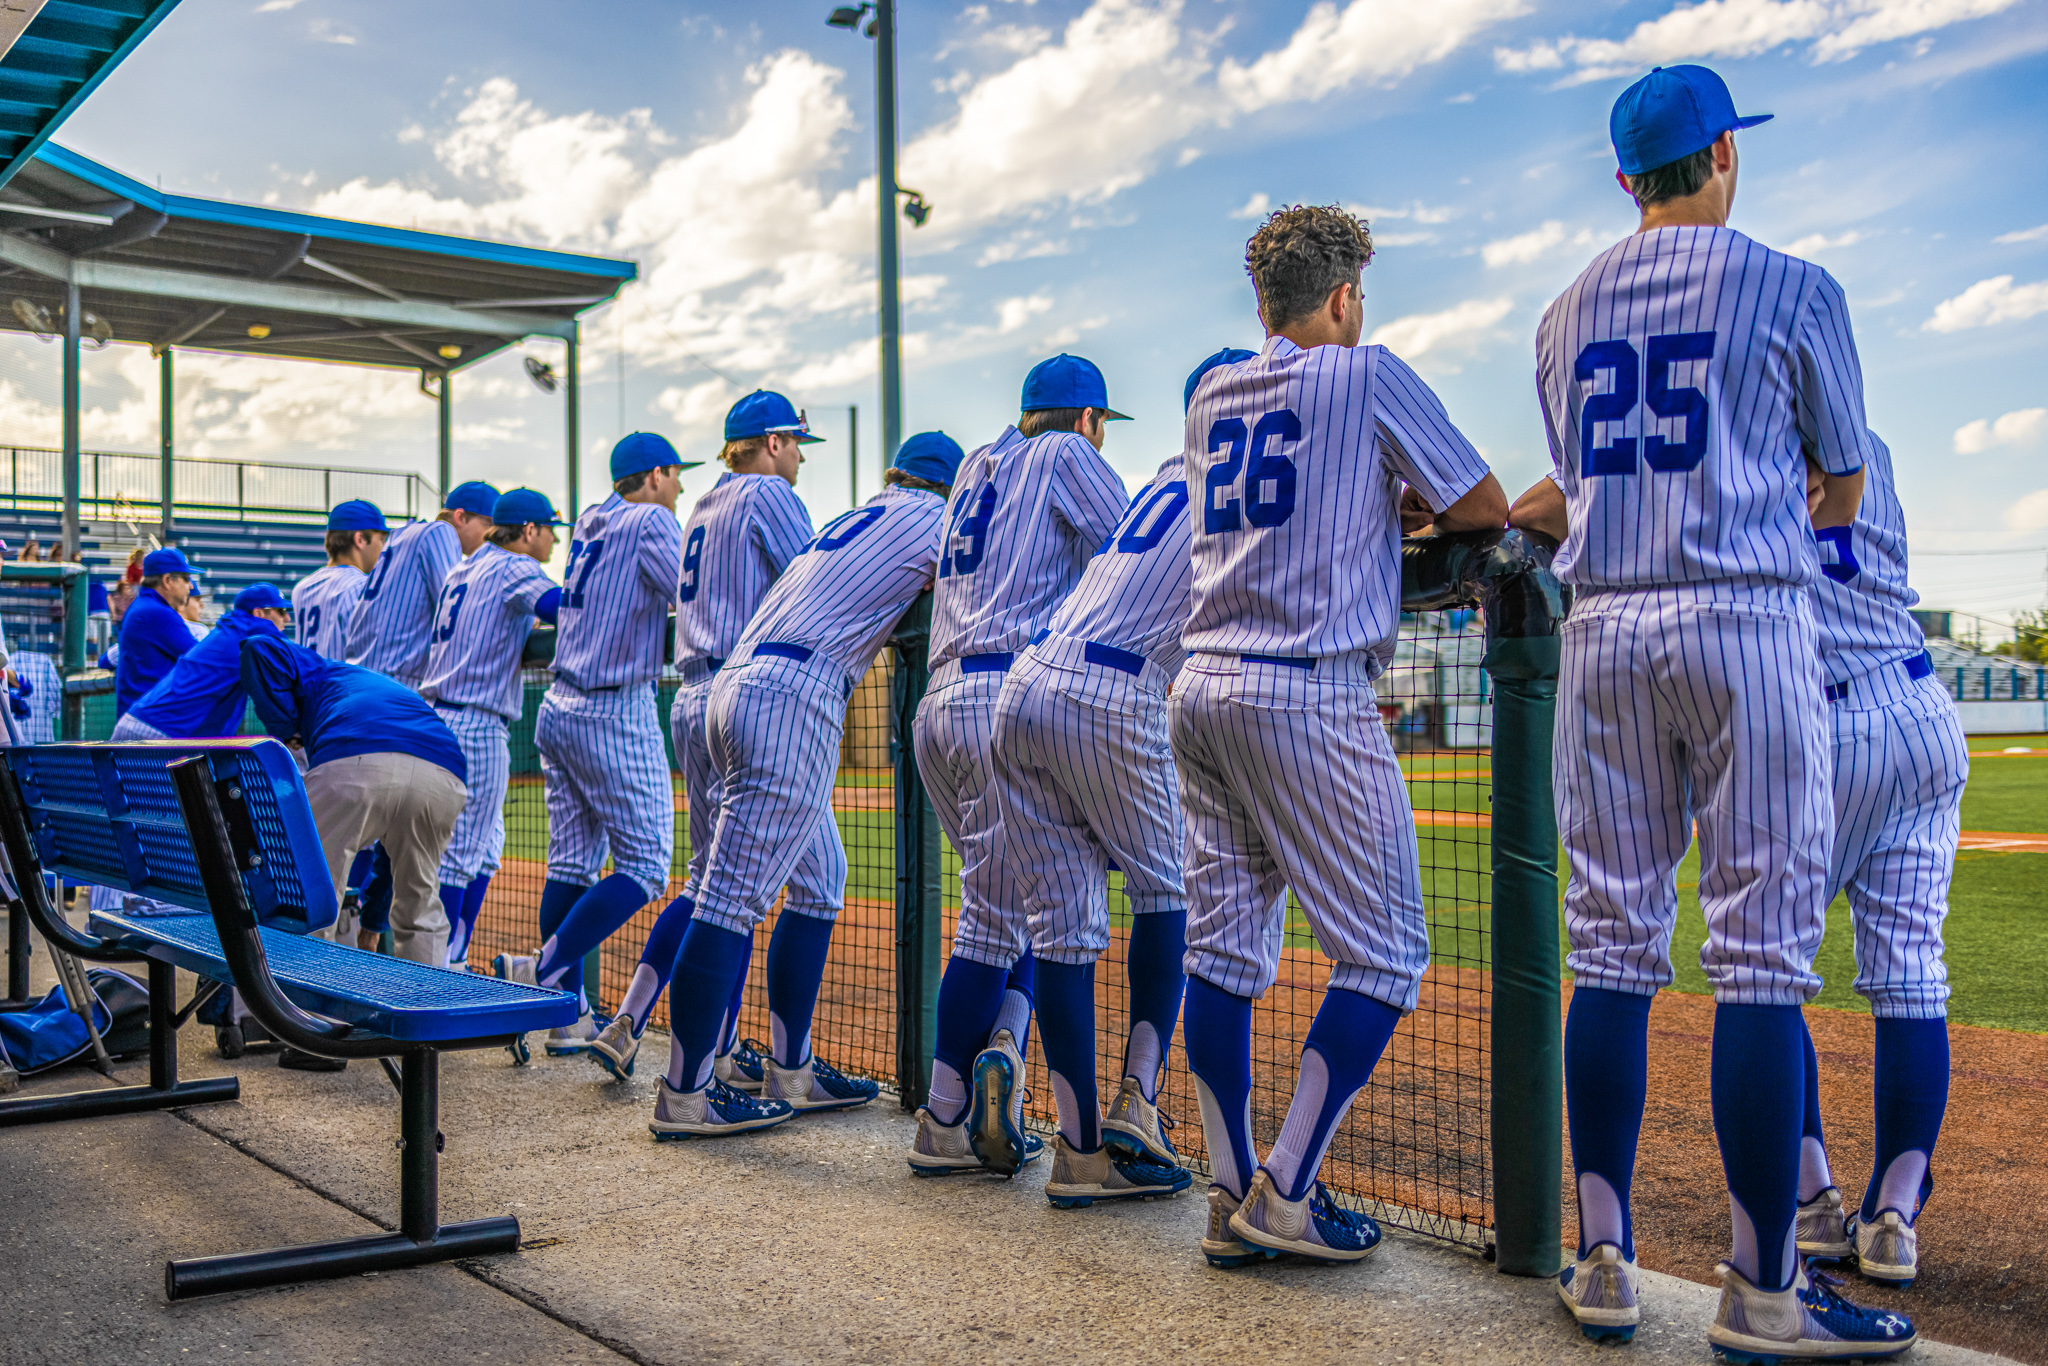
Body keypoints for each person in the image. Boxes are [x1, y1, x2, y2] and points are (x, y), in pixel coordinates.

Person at [1509, 65, 1912, 1360]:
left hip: (1608, 626)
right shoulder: (1796, 285)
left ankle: (1604, 1252)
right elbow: (1841, 483)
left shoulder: (1564, 310)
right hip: (1748, 616)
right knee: (1760, 956)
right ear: (1724, 154)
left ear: (1627, 178)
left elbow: (1570, 486)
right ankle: (1761, 1288)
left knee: (1613, 947)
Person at [1174, 205, 1506, 1266]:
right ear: (1343, 296)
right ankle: (1285, 1191)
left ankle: (1230, 1192)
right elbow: (1486, 507)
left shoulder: (1211, 391)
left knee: (1220, 952)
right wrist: (1408, 510)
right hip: (1303, 692)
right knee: (1386, 953)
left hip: (1201, 686)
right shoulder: (1366, 373)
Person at [967, 350, 1253, 1205]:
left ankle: (1080, 1151)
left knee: (1059, 928)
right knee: (1173, 897)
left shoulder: (1166, 477)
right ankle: (1140, 1100)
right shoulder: (1237, 478)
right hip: (1110, 688)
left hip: (1025, 685)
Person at [640, 431, 960, 1137]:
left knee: (822, 879)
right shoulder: (934, 520)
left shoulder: (857, 515)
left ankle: (794, 1069)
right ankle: (685, 1095)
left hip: (742, 682)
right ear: (950, 484)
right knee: (727, 899)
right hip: (792, 694)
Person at [911, 354, 1132, 1178]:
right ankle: (942, 1120)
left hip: (939, 701)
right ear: (1088, 419)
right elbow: (1132, 547)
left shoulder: (977, 463)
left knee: (1017, 903)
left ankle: (998, 1050)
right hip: (1008, 697)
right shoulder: (1071, 456)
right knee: (1005, 920)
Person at [584, 390, 815, 1092]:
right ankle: (721, 1069)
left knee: (710, 880)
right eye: (798, 442)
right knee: (736, 890)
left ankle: (632, 1019)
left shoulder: (700, 506)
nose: (801, 456)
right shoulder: (767, 495)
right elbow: (821, 579)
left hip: (690, 696)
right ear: (772, 442)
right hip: (746, 696)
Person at [1781, 433, 1964, 1291]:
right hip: (1920, 705)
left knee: (1766, 971)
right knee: (1912, 976)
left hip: (1819, 727)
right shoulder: (1871, 445)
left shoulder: (1743, 439)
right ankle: (1893, 1217)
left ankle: (1813, 1200)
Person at [492, 434, 685, 1051]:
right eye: (676, 476)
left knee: (573, 862)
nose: (679, 488)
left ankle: (566, 1014)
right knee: (648, 866)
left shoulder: (593, 522)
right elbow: (694, 592)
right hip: (611, 708)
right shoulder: (651, 519)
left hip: (559, 706)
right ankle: (542, 970)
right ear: (655, 475)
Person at [240, 632, 468, 970]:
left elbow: (257, 646)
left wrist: (287, 728)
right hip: (443, 773)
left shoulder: (317, 669)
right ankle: (425, 1007)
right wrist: (374, 922)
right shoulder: (376, 685)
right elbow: (389, 861)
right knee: (419, 902)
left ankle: (304, 1012)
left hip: (353, 757)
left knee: (311, 894)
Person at [420, 489, 565, 972]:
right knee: (461, 854)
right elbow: (565, 609)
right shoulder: (515, 567)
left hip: (438, 715)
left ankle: (451, 959)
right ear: (528, 531)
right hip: (476, 724)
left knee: (483, 848)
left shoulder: (467, 566)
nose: (552, 542)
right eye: (549, 531)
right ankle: (436, 971)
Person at [344, 481, 498, 688]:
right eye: (488, 525)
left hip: (362, 676)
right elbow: (457, 611)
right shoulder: (441, 531)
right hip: (392, 684)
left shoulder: (403, 534)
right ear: (460, 517)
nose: (492, 536)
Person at [118, 584, 291, 741]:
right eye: (281, 611)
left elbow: (108, 658)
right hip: (160, 731)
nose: (287, 619)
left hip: (142, 719)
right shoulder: (252, 635)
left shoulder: (224, 632)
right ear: (259, 613)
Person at [114, 548, 202, 716]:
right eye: (186, 579)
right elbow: (200, 659)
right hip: (148, 723)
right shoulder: (156, 611)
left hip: (142, 716)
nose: (190, 586)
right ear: (168, 580)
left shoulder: (145, 606)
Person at [296, 500, 388, 660]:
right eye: (381, 540)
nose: (384, 547)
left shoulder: (303, 587)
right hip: (341, 683)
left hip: (307, 681)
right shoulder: (361, 586)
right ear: (360, 540)